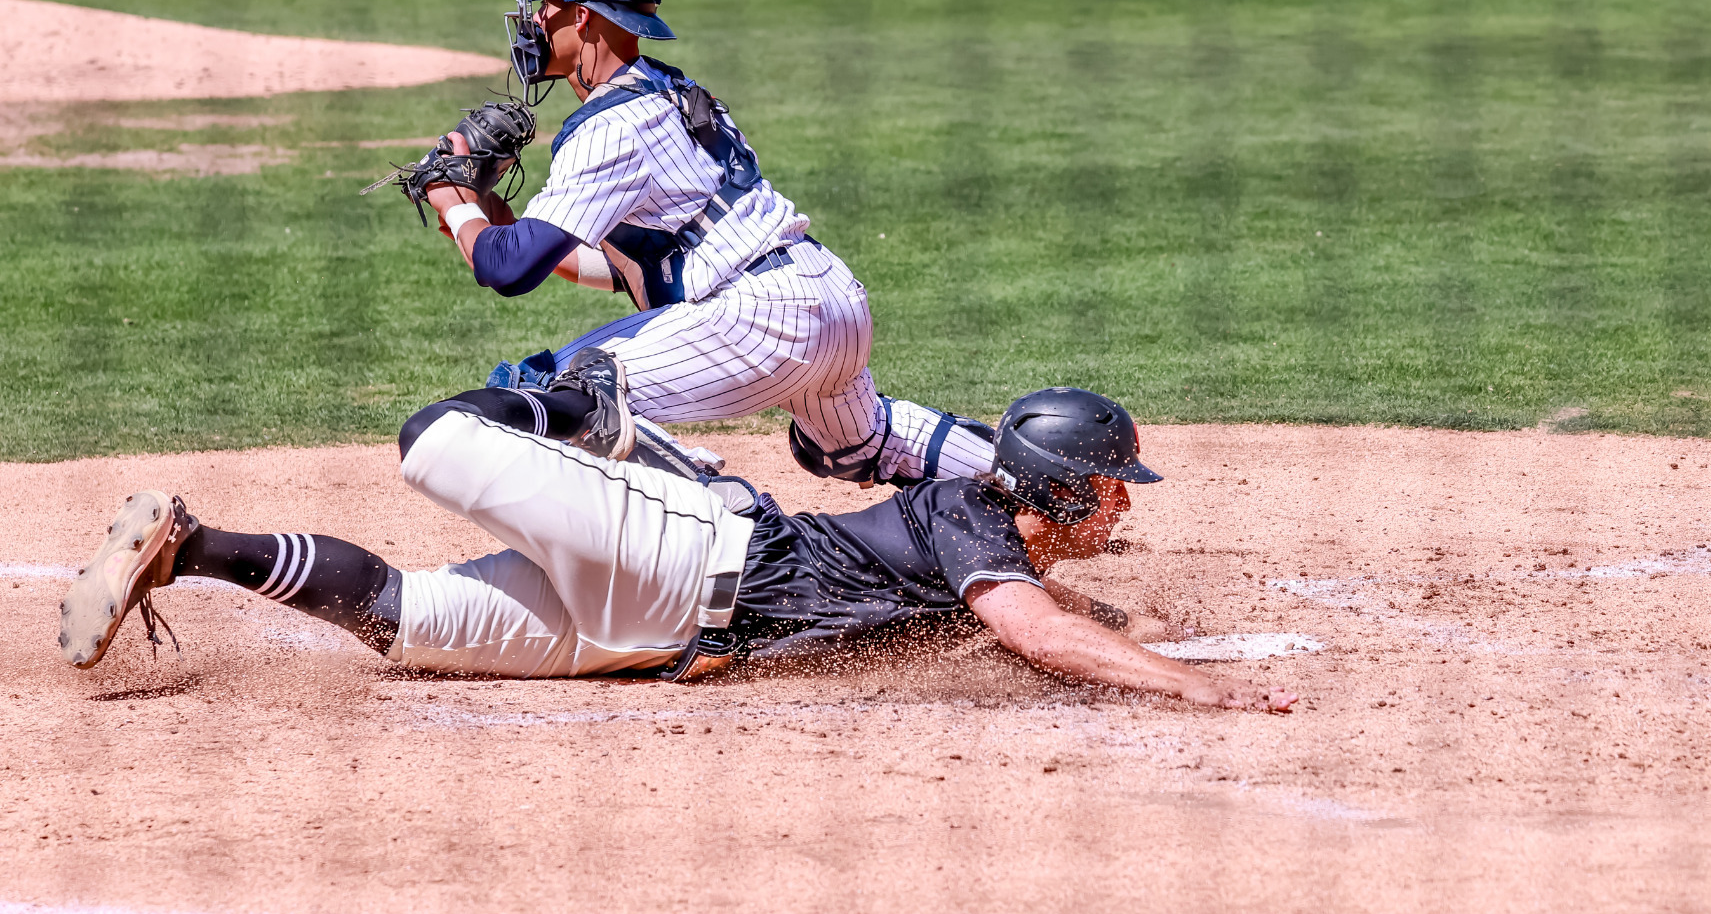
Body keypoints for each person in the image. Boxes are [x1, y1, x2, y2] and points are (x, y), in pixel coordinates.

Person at [57, 372, 1296, 713]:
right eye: (1112, 486)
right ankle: (587, 409)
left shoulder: (993, 546)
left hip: (652, 640)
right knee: (435, 437)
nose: (1123, 506)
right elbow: (1026, 628)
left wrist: (1125, 624)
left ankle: (191, 545)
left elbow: (1039, 614)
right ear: (1058, 485)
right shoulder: (969, 514)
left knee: (401, 622)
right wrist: (1185, 685)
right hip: (683, 552)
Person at [423, 0, 992, 489]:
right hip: (828, 299)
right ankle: (1036, 479)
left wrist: (452, 200)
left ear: (583, 17)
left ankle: (727, 522)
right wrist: (485, 214)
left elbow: (507, 269)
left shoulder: (609, 126)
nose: (534, 21)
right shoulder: (672, 91)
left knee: (561, 396)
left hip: (764, 320)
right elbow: (635, 264)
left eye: (545, 6)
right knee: (857, 445)